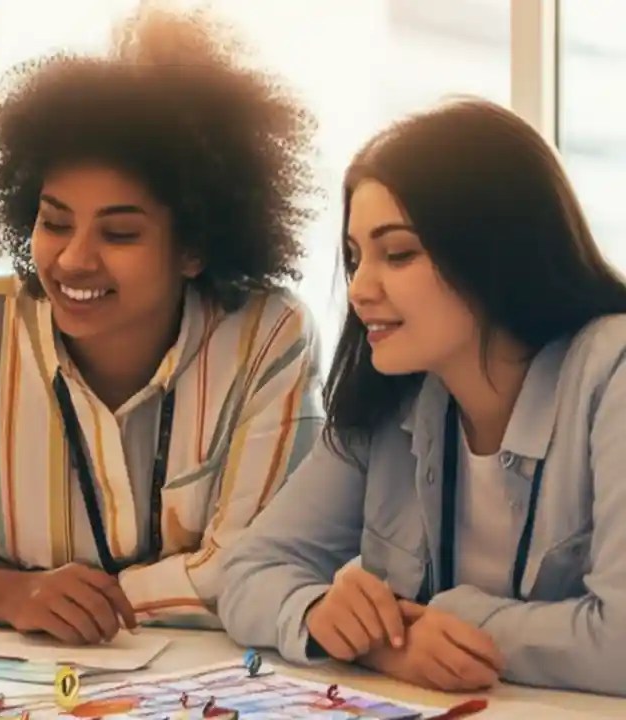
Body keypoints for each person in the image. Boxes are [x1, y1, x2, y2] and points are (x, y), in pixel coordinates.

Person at [0, 3, 323, 644]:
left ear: (194, 248)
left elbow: (251, 565)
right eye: (54, 222)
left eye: (120, 233)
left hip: (207, 680)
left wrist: (80, 601)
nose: (74, 259)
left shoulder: (267, 335)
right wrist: (16, 595)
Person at [219, 98, 626, 696]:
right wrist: (330, 619)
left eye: (398, 254)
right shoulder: (386, 399)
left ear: (494, 252)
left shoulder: (613, 373)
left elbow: (620, 643)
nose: (359, 289)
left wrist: (433, 621)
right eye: (355, 258)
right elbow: (247, 571)